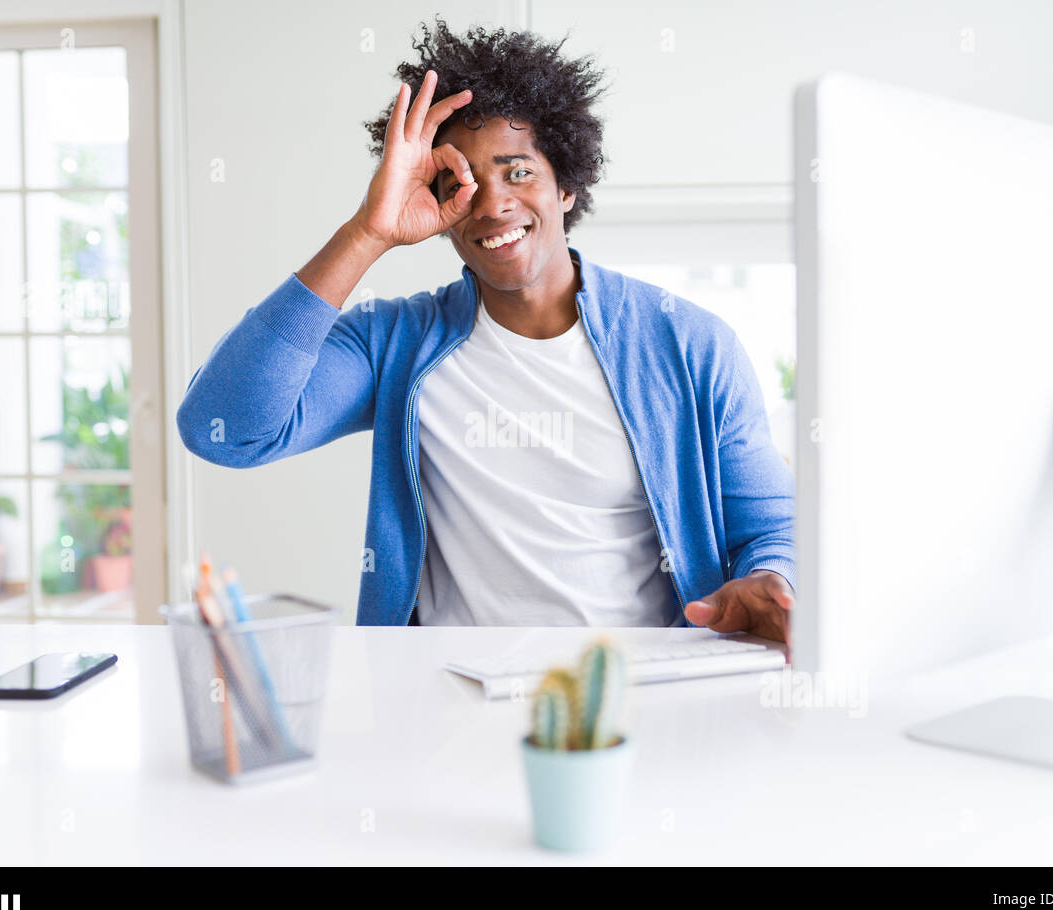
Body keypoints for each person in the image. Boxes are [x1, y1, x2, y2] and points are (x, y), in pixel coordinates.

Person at [177, 19, 795, 643]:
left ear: (567, 186)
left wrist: (773, 577)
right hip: (445, 700)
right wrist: (367, 233)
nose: (491, 203)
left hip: (635, 695)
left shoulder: (689, 345)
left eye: (518, 172)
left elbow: (768, 527)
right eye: (459, 183)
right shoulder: (395, 341)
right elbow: (225, 430)